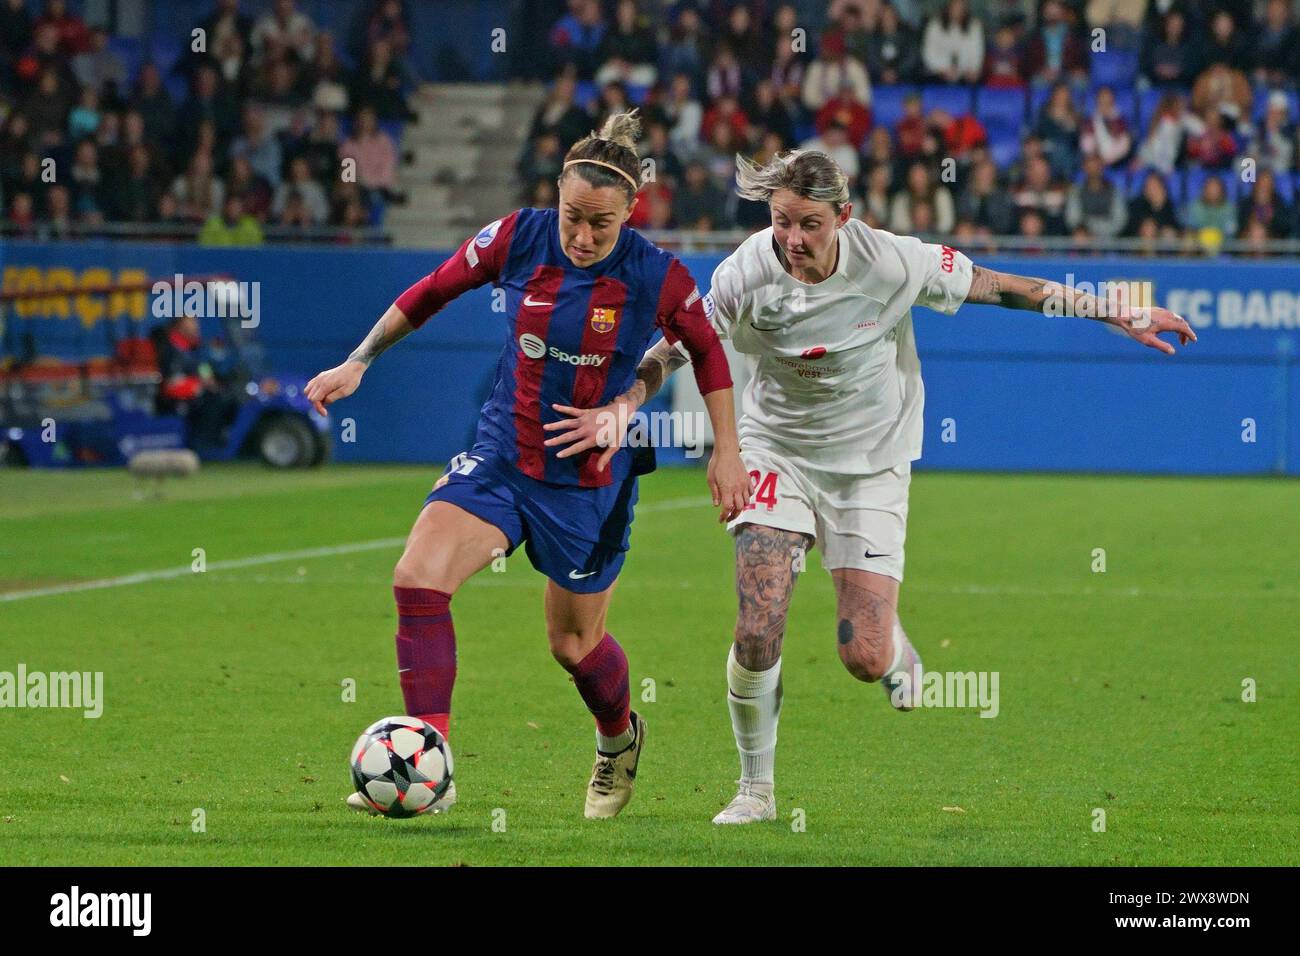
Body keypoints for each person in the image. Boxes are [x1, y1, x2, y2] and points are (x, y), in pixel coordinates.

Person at [588, 149, 1196, 824]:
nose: (793, 239)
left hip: (870, 461)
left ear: (843, 217)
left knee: (864, 656)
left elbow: (1003, 288)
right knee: (759, 619)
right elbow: (677, 345)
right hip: (775, 449)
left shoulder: (893, 262)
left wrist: (1117, 310)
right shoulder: (747, 270)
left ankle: (895, 648)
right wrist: (626, 403)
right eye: (783, 221)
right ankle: (755, 790)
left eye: (810, 224)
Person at [306, 111, 751, 820]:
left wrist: (727, 452)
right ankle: (432, 769)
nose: (581, 236)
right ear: (557, 196)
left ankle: (618, 738)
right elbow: (432, 290)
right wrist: (358, 361)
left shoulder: (655, 274)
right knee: (418, 578)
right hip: (503, 456)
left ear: (630, 212)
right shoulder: (520, 236)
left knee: (574, 645)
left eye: (599, 225)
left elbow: (708, 353)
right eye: (573, 216)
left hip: (591, 482)